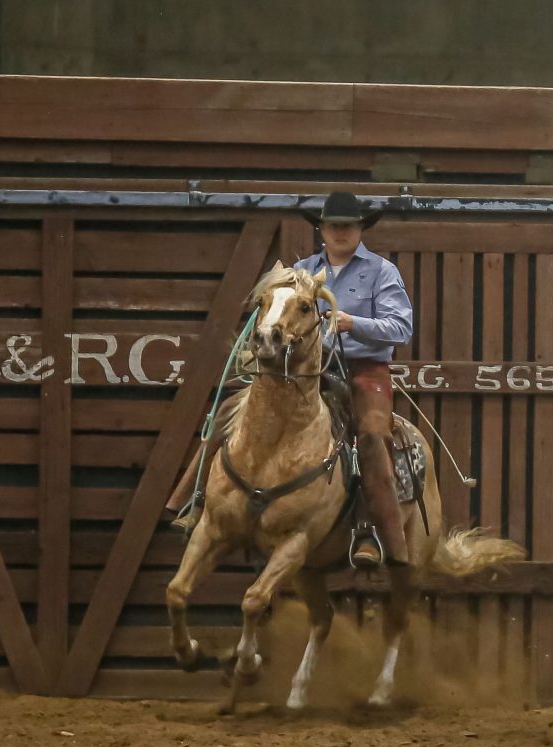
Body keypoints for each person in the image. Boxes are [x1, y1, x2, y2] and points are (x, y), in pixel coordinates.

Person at [164, 192, 412, 570]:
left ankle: (371, 531)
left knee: (373, 434)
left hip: (362, 371)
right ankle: (195, 497)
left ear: (361, 228)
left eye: (348, 225)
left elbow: (401, 327)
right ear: (322, 229)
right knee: (231, 410)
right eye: (334, 225)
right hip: (300, 370)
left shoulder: (381, 272)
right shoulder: (300, 272)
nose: (341, 231)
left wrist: (352, 323)